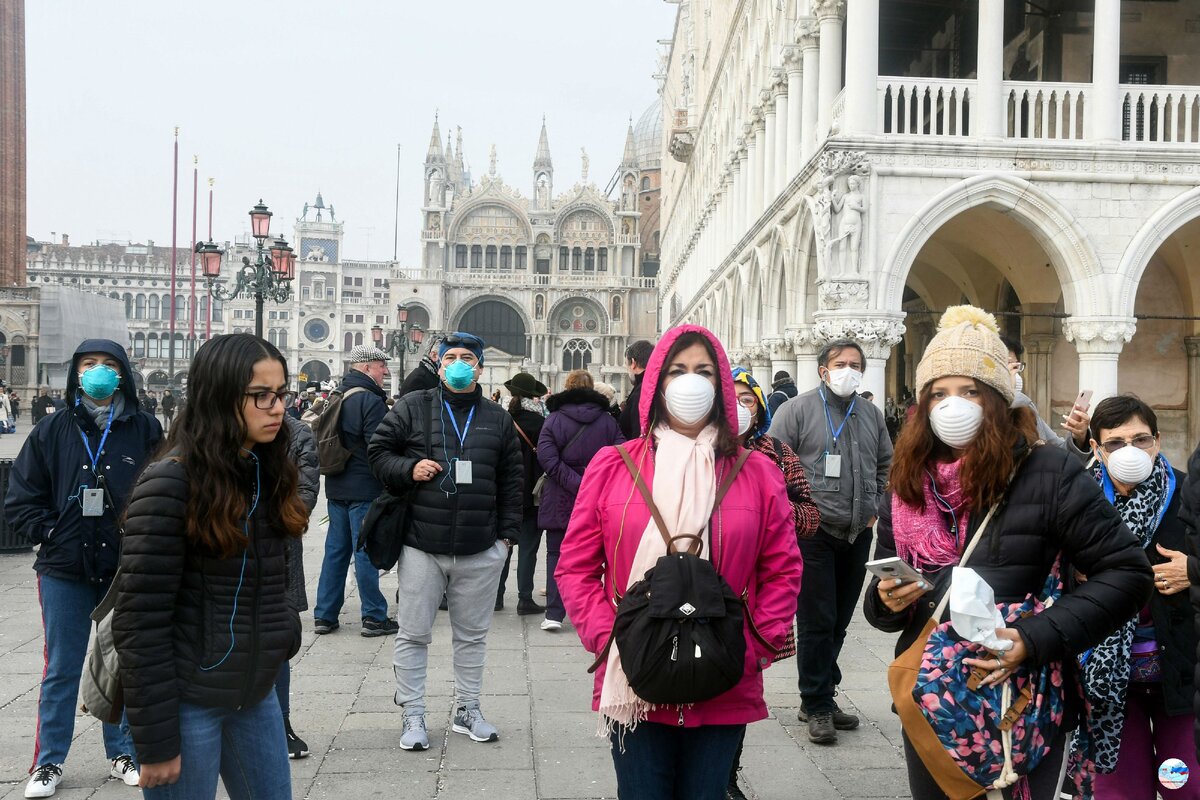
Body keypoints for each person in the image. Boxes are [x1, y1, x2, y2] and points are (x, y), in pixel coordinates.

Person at [862, 306, 1153, 799]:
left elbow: (1127, 573)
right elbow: (882, 597)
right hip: (935, 696)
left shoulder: (1050, 472)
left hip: (1025, 694)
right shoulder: (908, 482)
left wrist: (1032, 637)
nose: (953, 406)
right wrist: (886, 602)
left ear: (997, 398)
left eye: (970, 391)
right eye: (939, 393)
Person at [556, 325, 802, 800]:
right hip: (635, 668)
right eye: (678, 371)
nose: (692, 383)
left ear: (722, 386)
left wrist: (753, 646)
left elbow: (783, 569)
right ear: (656, 384)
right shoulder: (613, 465)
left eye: (704, 372)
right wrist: (610, 637)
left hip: (723, 670)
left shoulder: (758, 472)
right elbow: (576, 566)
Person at [112, 333, 305, 798]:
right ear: (220, 398)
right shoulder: (170, 482)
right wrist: (156, 742)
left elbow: (274, 580)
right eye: (261, 396)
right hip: (186, 700)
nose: (277, 407)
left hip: (253, 693)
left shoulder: (265, 471)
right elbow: (139, 622)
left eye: (281, 394)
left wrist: (281, 635)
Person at [6, 340, 162, 798]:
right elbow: (21, 496)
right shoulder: (52, 429)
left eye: (109, 365)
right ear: (75, 373)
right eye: (89, 364)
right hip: (64, 565)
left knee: (125, 662)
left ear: (123, 374)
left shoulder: (144, 428)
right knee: (62, 667)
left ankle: (123, 750)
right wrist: (49, 531)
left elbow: (166, 488)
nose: (98, 372)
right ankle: (48, 762)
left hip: (124, 566)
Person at [368, 331, 522, 751]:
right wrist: (409, 467)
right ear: (437, 362)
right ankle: (413, 712)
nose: (457, 362)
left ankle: (467, 708)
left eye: (466, 357)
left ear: (479, 366)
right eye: (449, 355)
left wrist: (506, 539)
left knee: (472, 636)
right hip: (422, 543)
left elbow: (512, 480)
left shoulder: (497, 417)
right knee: (414, 633)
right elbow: (378, 452)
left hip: (480, 546)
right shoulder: (412, 407)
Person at [1069, 395, 1197, 799]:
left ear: (1157, 441)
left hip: (1181, 677)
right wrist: (1072, 574)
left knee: (1185, 785)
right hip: (1108, 687)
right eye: (1115, 442)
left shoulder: (1187, 495)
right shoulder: (1076, 503)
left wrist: (1193, 570)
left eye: (1141, 440)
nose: (1130, 451)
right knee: (1121, 793)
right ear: (1096, 448)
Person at [767, 337, 892, 744]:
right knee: (818, 619)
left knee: (839, 619)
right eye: (841, 363)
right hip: (813, 532)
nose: (849, 370)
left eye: (856, 363)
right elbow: (771, 463)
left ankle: (823, 692)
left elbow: (886, 463)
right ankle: (816, 703)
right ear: (823, 369)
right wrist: (793, 512)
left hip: (857, 531)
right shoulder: (796, 409)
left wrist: (875, 501)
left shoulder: (870, 413)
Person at [727, 366, 821, 798]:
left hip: (759, 594)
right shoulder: (700, 451)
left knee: (742, 686)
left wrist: (771, 505)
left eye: (748, 399)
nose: (740, 406)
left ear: (761, 405)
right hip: (709, 587)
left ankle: (726, 775)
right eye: (732, 397)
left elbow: (810, 516)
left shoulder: (778, 453)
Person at [312, 345, 397, 637]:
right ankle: (373, 615)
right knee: (363, 550)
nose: (385, 371)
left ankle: (325, 615)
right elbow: (377, 446)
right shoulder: (369, 401)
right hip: (363, 487)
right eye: (381, 365)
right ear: (366, 367)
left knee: (335, 551)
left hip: (336, 484)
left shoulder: (337, 394)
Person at [536, 369, 624, 632]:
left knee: (556, 553)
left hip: (561, 496)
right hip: (600, 497)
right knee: (602, 555)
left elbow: (548, 459)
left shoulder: (553, 420)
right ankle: (597, 613)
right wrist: (591, 482)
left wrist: (575, 483)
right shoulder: (608, 422)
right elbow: (621, 455)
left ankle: (554, 613)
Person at [278, 414, 320, 760]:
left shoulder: (297, 432)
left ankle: (280, 722)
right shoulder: (209, 425)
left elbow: (307, 487)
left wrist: (280, 523)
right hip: (222, 547)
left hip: (277, 546)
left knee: (277, 638)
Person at [498, 371, 549, 614]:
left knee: (503, 548)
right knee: (528, 548)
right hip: (532, 496)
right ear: (534, 397)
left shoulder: (503, 420)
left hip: (506, 495)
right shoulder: (541, 423)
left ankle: (496, 597)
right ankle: (524, 598)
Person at [1000, 334, 1090, 454]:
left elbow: (1058, 450)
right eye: (1009, 365)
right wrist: (1009, 395)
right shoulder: (977, 408)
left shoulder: (1025, 407)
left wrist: (1079, 437)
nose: (1015, 373)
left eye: (1016, 366)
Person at [618, 339, 653, 441]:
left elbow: (638, 437)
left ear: (633, 363)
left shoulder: (642, 392)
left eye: (626, 364)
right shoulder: (653, 385)